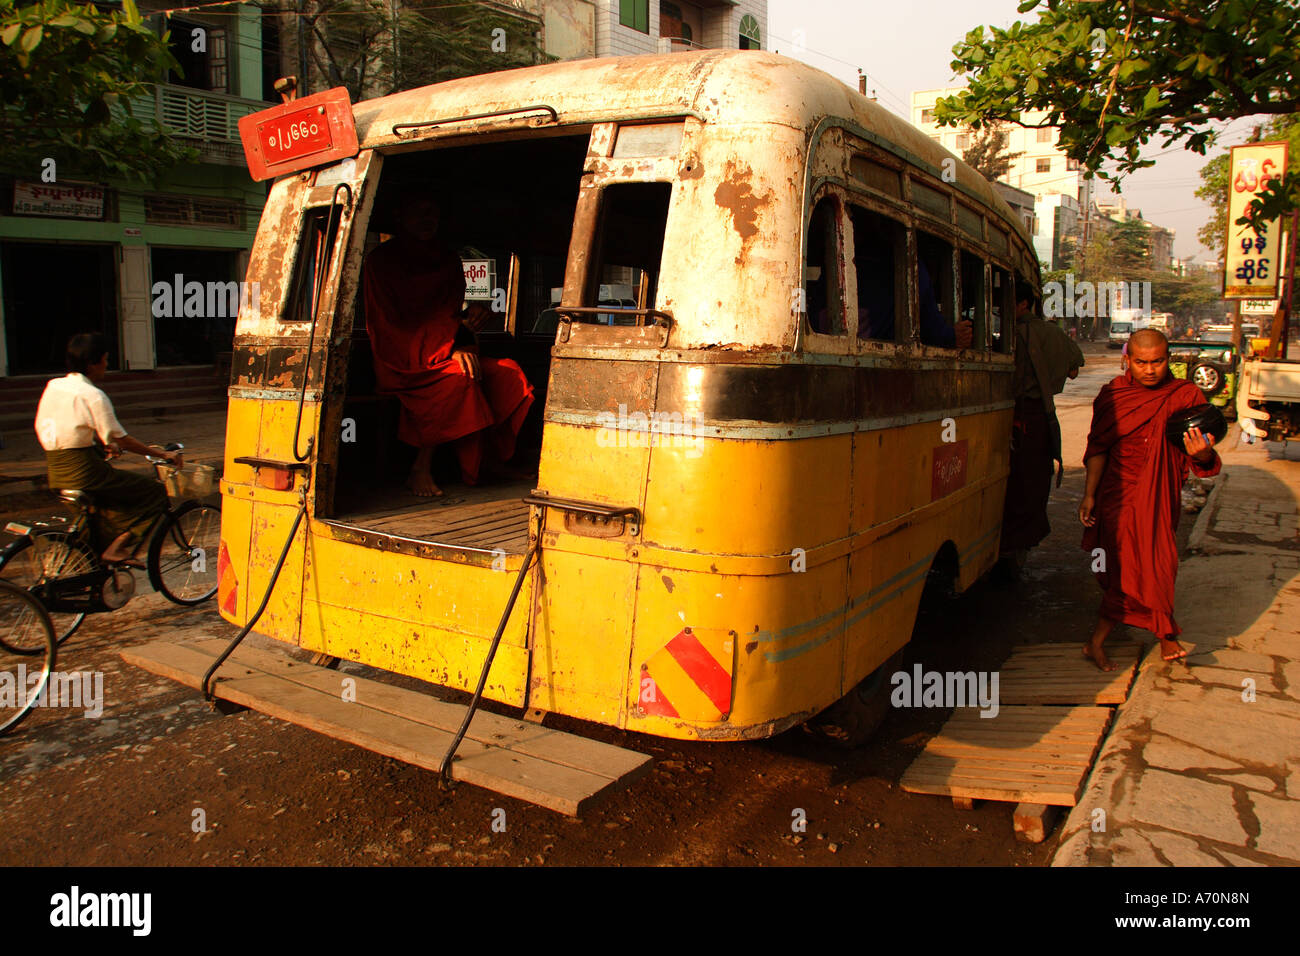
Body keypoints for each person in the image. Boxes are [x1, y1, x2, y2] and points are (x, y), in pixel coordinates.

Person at [362, 189, 534, 497]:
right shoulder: (381, 262)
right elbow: (391, 323)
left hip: (443, 348)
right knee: (460, 379)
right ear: (400, 217)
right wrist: (449, 346)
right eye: (419, 212)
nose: (427, 219)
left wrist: (471, 321)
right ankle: (420, 467)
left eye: (433, 213)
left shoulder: (446, 258)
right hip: (401, 358)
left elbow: (450, 314)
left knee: (508, 373)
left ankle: (488, 460)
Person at [1078, 328, 1220, 671]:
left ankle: (1155, 633)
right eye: (1141, 362)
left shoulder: (1185, 396)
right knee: (1124, 570)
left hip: (1160, 495)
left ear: (1169, 359)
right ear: (1128, 360)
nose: (1150, 369)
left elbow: (1202, 455)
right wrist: (1089, 494)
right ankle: (1140, 638)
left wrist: (1202, 455)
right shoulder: (1113, 395)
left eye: (1157, 361)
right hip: (1119, 494)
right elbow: (1098, 447)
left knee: (1160, 564)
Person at [34, 333, 181, 566]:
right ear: (93, 363)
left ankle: (91, 569)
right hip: (84, 470)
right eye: (105, 360)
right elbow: (122, 439)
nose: (107, 365)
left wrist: (103, 445)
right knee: (154, 493)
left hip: (56, 468)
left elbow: (63, 426)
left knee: (97, 518)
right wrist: (163, 454)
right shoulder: (93, 395)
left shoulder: (54, 386)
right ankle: (117, 547)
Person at [997, 289, 1085, 576]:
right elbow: (1074, 368)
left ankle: (1010, 545)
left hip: (1016, 416)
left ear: (1023, 302)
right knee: (1031, 482)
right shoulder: (1053, 333)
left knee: (1016, 484)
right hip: (1040, 417)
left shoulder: (1013, 334)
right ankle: (1018, 545)